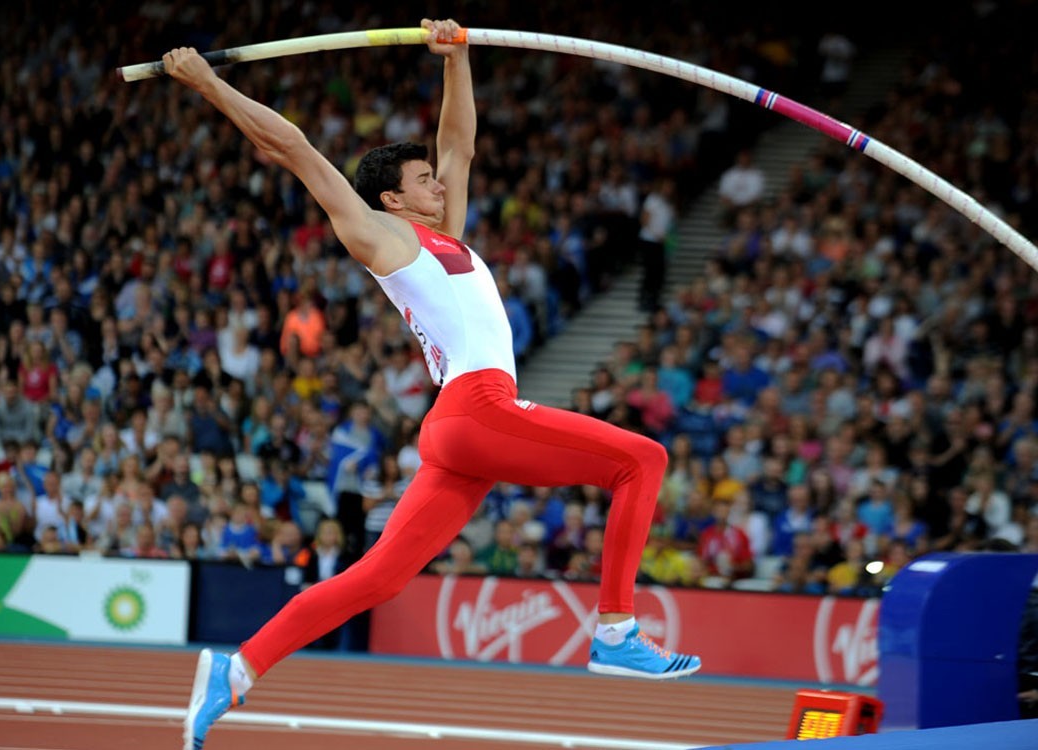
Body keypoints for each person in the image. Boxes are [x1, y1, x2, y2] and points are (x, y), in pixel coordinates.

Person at [163, 19, 700, 749]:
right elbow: (292, 150)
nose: (439, 182)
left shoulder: (450, 234)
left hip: (462, 434)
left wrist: (457, 60)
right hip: (478, 409)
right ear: (391, 199)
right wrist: (206, 83)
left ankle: (238, 669)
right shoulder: (383, 238)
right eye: (421, 180)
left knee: (379, 579)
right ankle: (614, 630)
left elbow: (460, 143)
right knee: (643, 459)